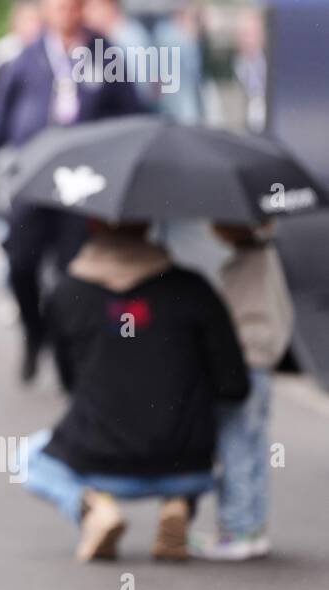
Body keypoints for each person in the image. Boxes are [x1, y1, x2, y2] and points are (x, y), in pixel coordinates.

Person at [20, 219, 250, 562]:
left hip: (99, 458)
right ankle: (179, 505)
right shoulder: (192, 289)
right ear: (148, 226)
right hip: (187, 465)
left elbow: (69, 384)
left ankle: (92, 509)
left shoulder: (66, 294)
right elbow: (233, 385)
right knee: (194, 422)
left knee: (28, 458)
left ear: (93, 225)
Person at [0, 0, 143, 382]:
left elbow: (132, 114)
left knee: (72, 272)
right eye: (54, 5)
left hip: (82, 182)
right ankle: (33, 331)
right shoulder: (24, 59)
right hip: (32, 178)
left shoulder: (104, 55)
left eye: (70, 4)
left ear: (80, 6)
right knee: (20, 260)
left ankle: (66, 353)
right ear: (45, 9)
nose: (63, 12)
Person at [190, 222, 293, 560]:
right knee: (254, 445)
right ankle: (254, 527)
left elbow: (229, 320)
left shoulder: (246, 265)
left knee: (234, 446)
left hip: (242, 363)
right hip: (261, 363)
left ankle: (235, 529)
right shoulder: (267, 258)